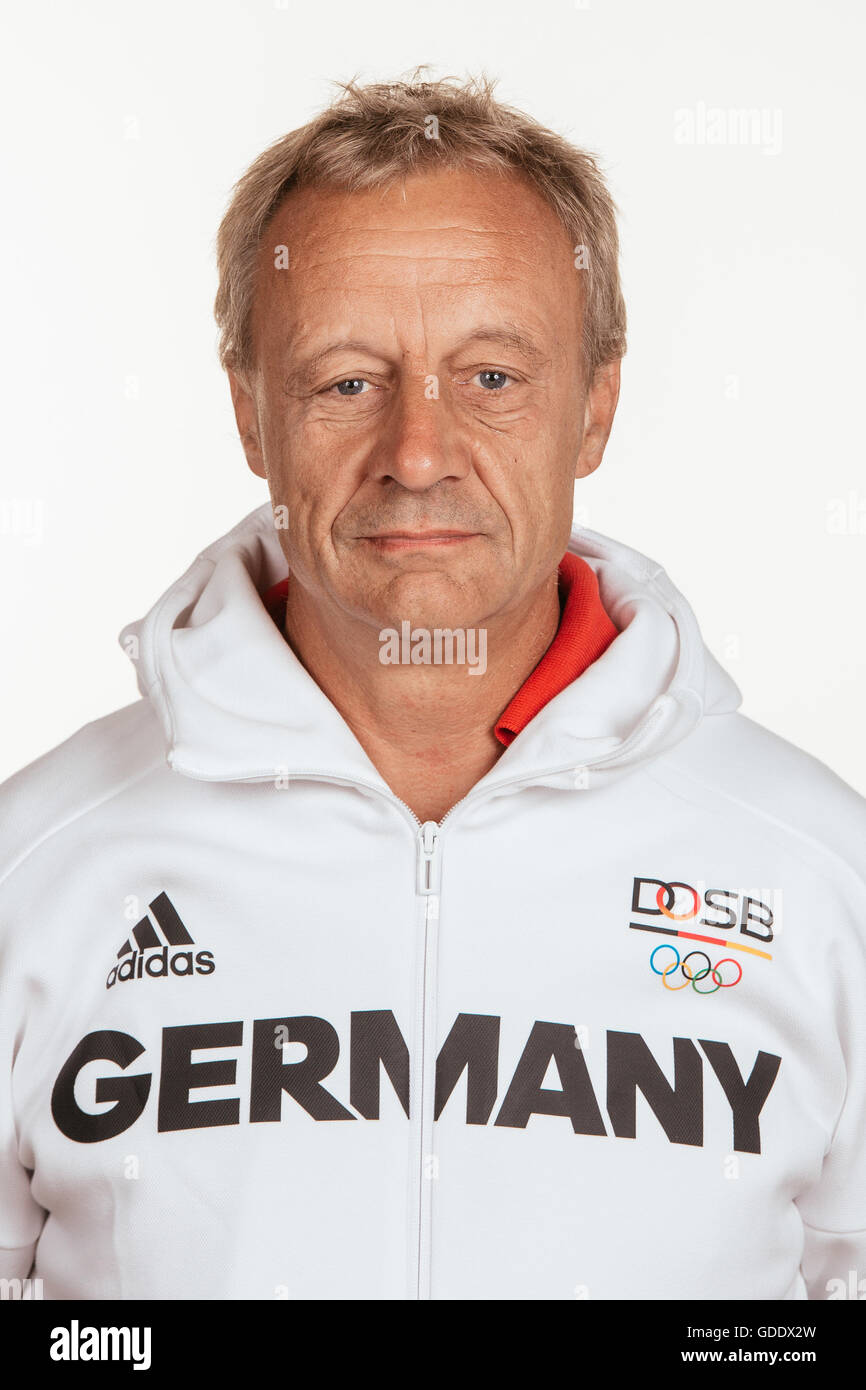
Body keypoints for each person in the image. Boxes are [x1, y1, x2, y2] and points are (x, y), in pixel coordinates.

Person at [1, 73, 864, 1302]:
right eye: (346, 380)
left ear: (594, 408)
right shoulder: (35, 870)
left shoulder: (825, 882)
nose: (415, 453)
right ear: (251, 412)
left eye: (491, 378)